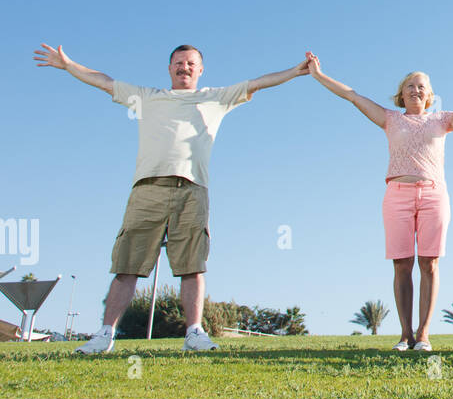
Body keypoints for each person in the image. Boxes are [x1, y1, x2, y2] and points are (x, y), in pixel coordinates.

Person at [35, 43, 309, 354]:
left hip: (192, 190)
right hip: (147, 189)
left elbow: (259, 82)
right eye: (179, 63)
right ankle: (105, 334)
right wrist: (69, 64)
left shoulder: (216, 98)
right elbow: (104, 81)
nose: (185, 68)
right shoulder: (148, 97)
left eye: (191, 63)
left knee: (192, 265)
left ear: (200, 69)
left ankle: (194, 333)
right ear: (169, 69)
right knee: (127, 266)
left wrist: (295, 71)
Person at [306, 52, 453, 351]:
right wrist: (319, 75)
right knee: (402, 264)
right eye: (410, 86)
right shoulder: (390, 118)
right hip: (396, 196)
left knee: (429, 263)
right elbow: (352, 96)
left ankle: (423, 334)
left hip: (433, 195)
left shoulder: (442, 120)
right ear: (401, 95)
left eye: (422, 87)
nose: (416, 90)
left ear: (430, 96)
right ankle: (405, 334)